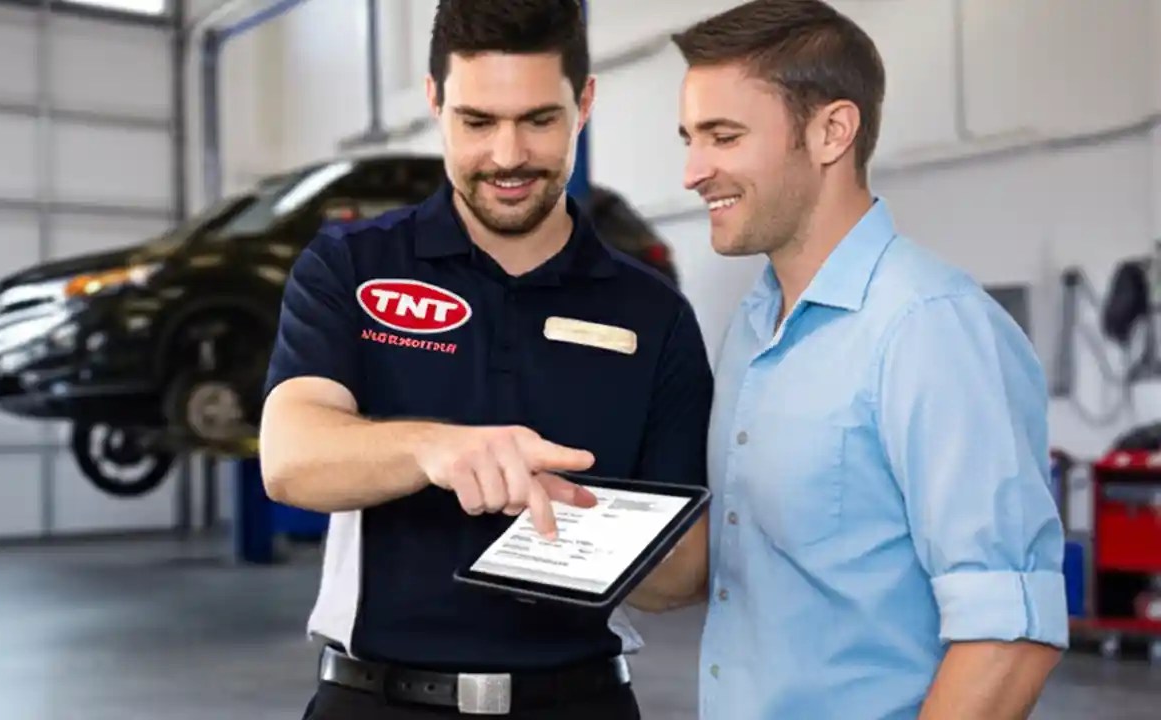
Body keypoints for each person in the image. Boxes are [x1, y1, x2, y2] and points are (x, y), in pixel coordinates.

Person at [257, 1, 713, 718]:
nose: (507, 156)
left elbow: (678, 579)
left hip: (581, 702)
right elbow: (290, 459)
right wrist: (437, 450)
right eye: (477, 122)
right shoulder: (350, 266)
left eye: (538, 120)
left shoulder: (653, 316)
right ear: (434, 100)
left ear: (583, 101)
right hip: (376, 701)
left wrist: (582, 523)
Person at [667, 1, 1069, 718]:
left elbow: (1007, 634)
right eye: (690, 139)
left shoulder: (929, 330)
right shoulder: (754, 329)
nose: (695, 171)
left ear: (831, 131)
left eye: (723, 136)